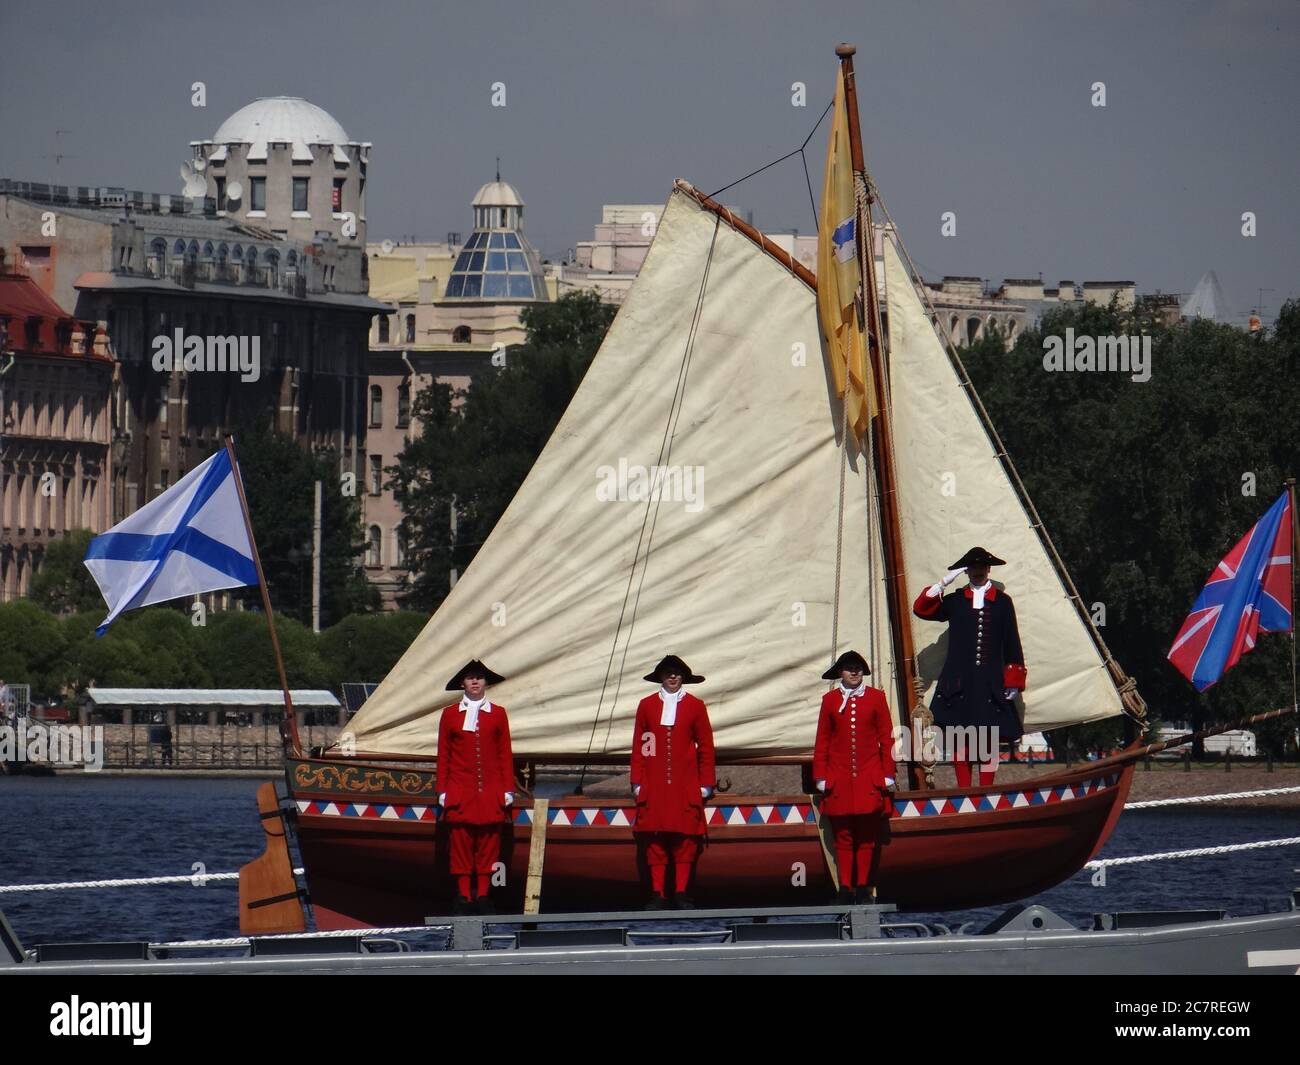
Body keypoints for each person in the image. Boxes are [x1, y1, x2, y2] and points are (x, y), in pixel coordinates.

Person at [912, 546, 1027, 787]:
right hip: (959, 681)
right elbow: (921, 608)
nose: (977, 571)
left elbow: (1011, 641)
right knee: (960, 741)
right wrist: (944, 581)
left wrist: (1014, 679)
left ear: (988, 569)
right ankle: (964, 791)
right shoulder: (955, 601)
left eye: (981, 566)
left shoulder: (1003, 603)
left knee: (987, 741)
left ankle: (986, 791)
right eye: (972, 567)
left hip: (990, 682)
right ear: (966, 571)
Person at [630, 654, 715, 910]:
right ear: (660, 676)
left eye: (677, 673)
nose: (673, 677)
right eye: (668, 672)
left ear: (684, 677)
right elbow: (642, 745)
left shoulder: (695, 706)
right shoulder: (647, 705)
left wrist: (705, 783)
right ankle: (658, 894)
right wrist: (638, 781)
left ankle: (680, 893)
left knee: (685, 840)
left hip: (685, 784)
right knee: (654, 840)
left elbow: (706, 747)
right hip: (654, 784)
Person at [812, 650, 896, 903]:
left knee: (867, 836)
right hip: (838, 779)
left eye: (858, 668)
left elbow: (887, 738)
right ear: (840, 672)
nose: (854, 672)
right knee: (844, 836)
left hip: (868, 779)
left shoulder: (876, 698)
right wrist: (821, 776)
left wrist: (887, 774)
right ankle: (845, 888)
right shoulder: (829, 701)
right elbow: (822, 741)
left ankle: (863, 887)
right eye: (849, 668)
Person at [435, 659, 515, 914]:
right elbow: (443, 754)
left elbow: (505, 753)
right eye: (470, 678)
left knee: (489, 845)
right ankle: (463, 896)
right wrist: (443, 790)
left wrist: (507, 788)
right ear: (463, 683)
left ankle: (482, 895)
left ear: (485, 683)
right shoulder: (449, 714)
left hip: (490, 791)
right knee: (460, 844)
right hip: (460, 790)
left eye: (479, 678)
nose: (475, 682)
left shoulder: (498, 713)